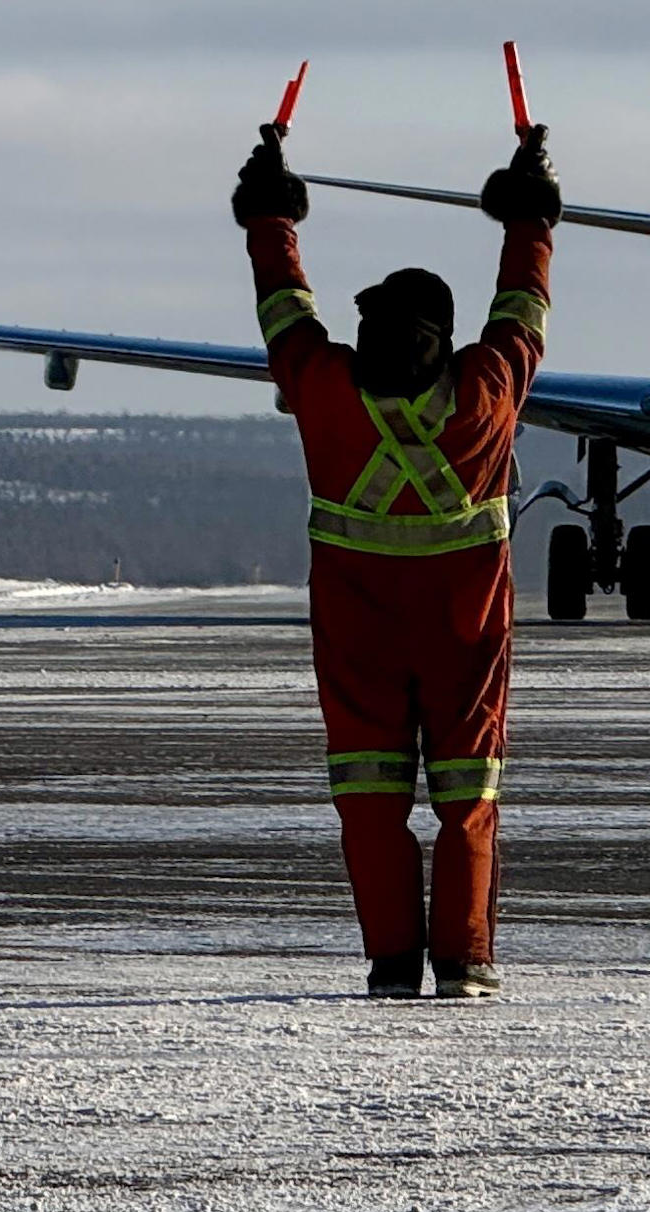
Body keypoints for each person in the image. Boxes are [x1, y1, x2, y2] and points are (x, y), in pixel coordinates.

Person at [230, 111, 561, 997]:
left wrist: (271, 212)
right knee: (467, 800)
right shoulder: (488, 393)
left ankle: (389, 962)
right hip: (466, 633)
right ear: (445, 339)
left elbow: (284, 310)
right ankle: (465, 960)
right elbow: (522, 315)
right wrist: (528, 215)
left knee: (369, 801)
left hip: (357, 633)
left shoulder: (326, 390)